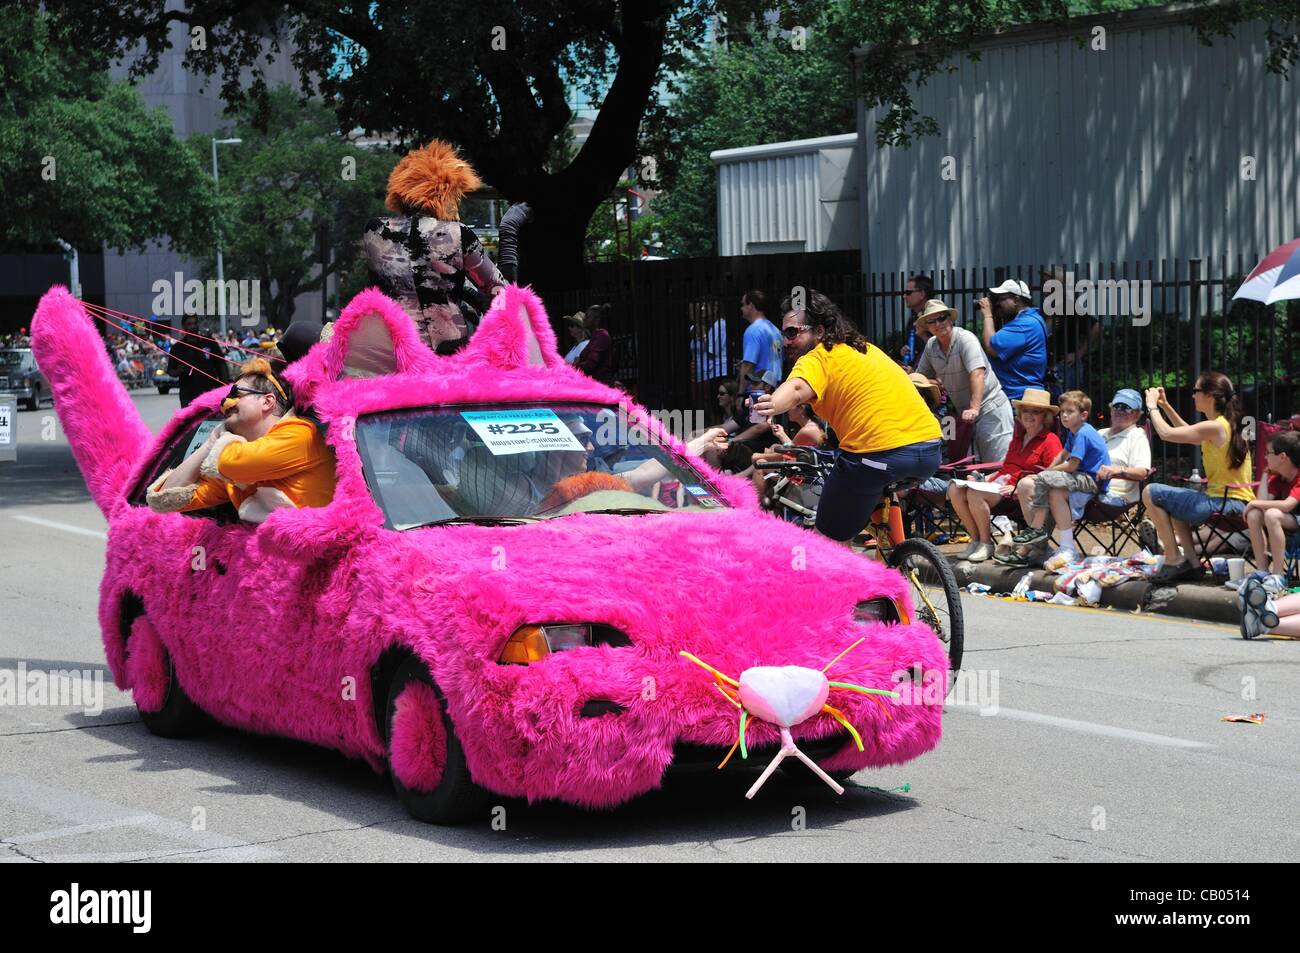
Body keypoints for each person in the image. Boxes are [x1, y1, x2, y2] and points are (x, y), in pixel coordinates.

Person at [754, 289, 942, 542]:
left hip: (880, 455)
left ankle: (836, 573)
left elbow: (797, 388)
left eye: (792, 332)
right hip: (930, 452)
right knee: (874, 488)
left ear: (819, 331)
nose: (786, 341)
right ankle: (901, 559)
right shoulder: (866, 349)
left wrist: (770, 404)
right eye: (783, 334)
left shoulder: (818, 357)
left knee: (827, 534)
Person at [146, 358, 336, 522]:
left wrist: (223, 439)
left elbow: (230, 463)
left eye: (236, 394)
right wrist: (211, 441)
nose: (225, 404)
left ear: (267, 402)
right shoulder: (238, 467)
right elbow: (165, 498)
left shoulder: (301, 433)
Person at [361, 139, 506, 351]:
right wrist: (467, 299)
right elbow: (499, 291)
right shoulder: (457, 233)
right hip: (448, 351)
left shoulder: (375, 230)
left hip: (395, 351)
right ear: (445, 194)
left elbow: (398, 284)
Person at [1142, 371, 1254, 583]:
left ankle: (1174, 558)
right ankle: (1192, 564)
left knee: (1150, 491)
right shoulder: (1222, 425)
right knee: (1174, 503)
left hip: (1224, 504)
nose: (1193, 396)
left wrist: (1152, 406)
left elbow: (1166, 434)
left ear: (1210, 396)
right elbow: (1188, 432)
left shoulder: (1215, 426)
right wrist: (1166, 406)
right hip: (1237, 503)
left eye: (1196, 391)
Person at [996, 389, 1109, 567]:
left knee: (1044, 480)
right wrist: (1048, 471)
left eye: (1070, 412)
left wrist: (1046, 474)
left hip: (1090, 479)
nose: (1064, 415)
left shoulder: (1083, 433)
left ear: (1084, 415)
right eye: (1063, 411)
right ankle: (1035, 538)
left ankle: (1036, 529)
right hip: (1079, 476)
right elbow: (1063, 455)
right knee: (1047, 482)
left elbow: (1072, 465)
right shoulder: (1073, 432)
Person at [949, 389, 1062, 562]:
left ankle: (986, 544)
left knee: (974, 493)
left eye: (1036, 411)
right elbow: (1006, 468)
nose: (1029, 415)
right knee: (955, 489)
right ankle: (976, 540)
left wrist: (1019, 485)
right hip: (1001, 483)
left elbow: (1054, 472)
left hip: (1020, 490)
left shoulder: (1050, 439)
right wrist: (984, 478)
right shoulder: (1018, 438)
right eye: (1025, 410)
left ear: (1045, 416)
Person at [914, 298, 1014, 463]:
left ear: (951, 319)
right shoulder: (931, 346)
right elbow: (920, 380)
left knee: (996, 467)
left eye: (942, 318)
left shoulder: (965, 339)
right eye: (932, 321)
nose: (938, 324)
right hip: (965, 417)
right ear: (928, 327)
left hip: (990, 409)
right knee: (967, 470)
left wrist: (974, 408)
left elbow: (977, 373)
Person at [1243, 429, 1300, 591]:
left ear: (1282, 457)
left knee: (1272, 514)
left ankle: (1278, 576)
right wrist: (1264, 475)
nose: (1265, 457)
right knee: (1255, 514)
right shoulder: (1279, 478)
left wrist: (1255, 503)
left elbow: (1287, 505)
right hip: (1290, 520)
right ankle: (1262, 571)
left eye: (1268, 453)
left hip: (1296, 520)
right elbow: (1263, 501)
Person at [978, 278, 1047, 401]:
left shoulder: (1024, 325)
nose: (997, 304)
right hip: (1019, 394)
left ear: (1016, 300)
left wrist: (988, 316)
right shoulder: (1032, 319)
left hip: (1018, 396)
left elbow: (991, 347)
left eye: (1001, 299)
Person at [167, 314, 230, 407]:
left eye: (195, 323)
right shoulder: (177, 348)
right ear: (184, 327)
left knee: (210, 421)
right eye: (189, 324)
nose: (193, 326)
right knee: (191, 422)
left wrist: (225, 387)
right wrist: (177, 371)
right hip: (188, 396)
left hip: (210, 393)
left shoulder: (210, 342)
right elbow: (170, 370)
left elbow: (221, 365)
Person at [735, 290, 783, 393]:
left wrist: (740, 393)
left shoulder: (753, 330)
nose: (741, 308)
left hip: (758, 389)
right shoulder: (775, 330)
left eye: (743, 304)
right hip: (775, 387)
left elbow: (748, 365)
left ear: (751, 305)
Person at [575, 305, 617, 386]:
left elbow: (591, 363)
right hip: (594, 383)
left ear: (597, 320)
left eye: (587, 316)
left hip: (602, 384)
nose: (584, 319)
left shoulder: (601, 335)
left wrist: (573, 366)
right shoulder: (595, 336)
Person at [900, 274, 934, 369]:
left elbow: (940, 350)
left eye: (908, 292)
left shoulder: (936, 319)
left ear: (922, 294)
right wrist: (905, 351)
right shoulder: (912, 320)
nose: (904, 296)